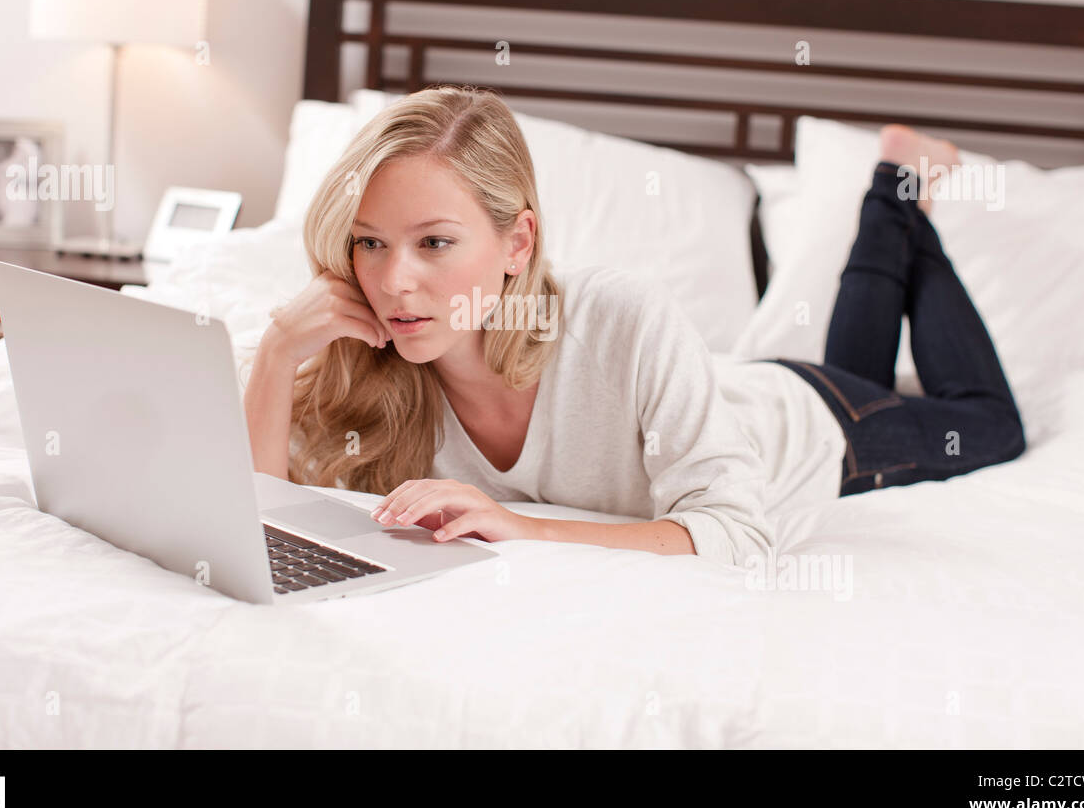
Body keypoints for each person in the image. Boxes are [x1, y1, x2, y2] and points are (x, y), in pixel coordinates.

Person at [244, 87, 1025, 564]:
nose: (392, 282)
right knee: (866, 364)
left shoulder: (619, 316)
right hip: (733, 387)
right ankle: (895, 194)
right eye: (370, 242)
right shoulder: (380, 361)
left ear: (517, 243)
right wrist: (278, 351)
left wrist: (520, 528)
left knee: (988, 423)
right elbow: (263, 529)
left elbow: (734, 535)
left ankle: (896, 190)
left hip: (807, 424)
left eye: (435, 243)